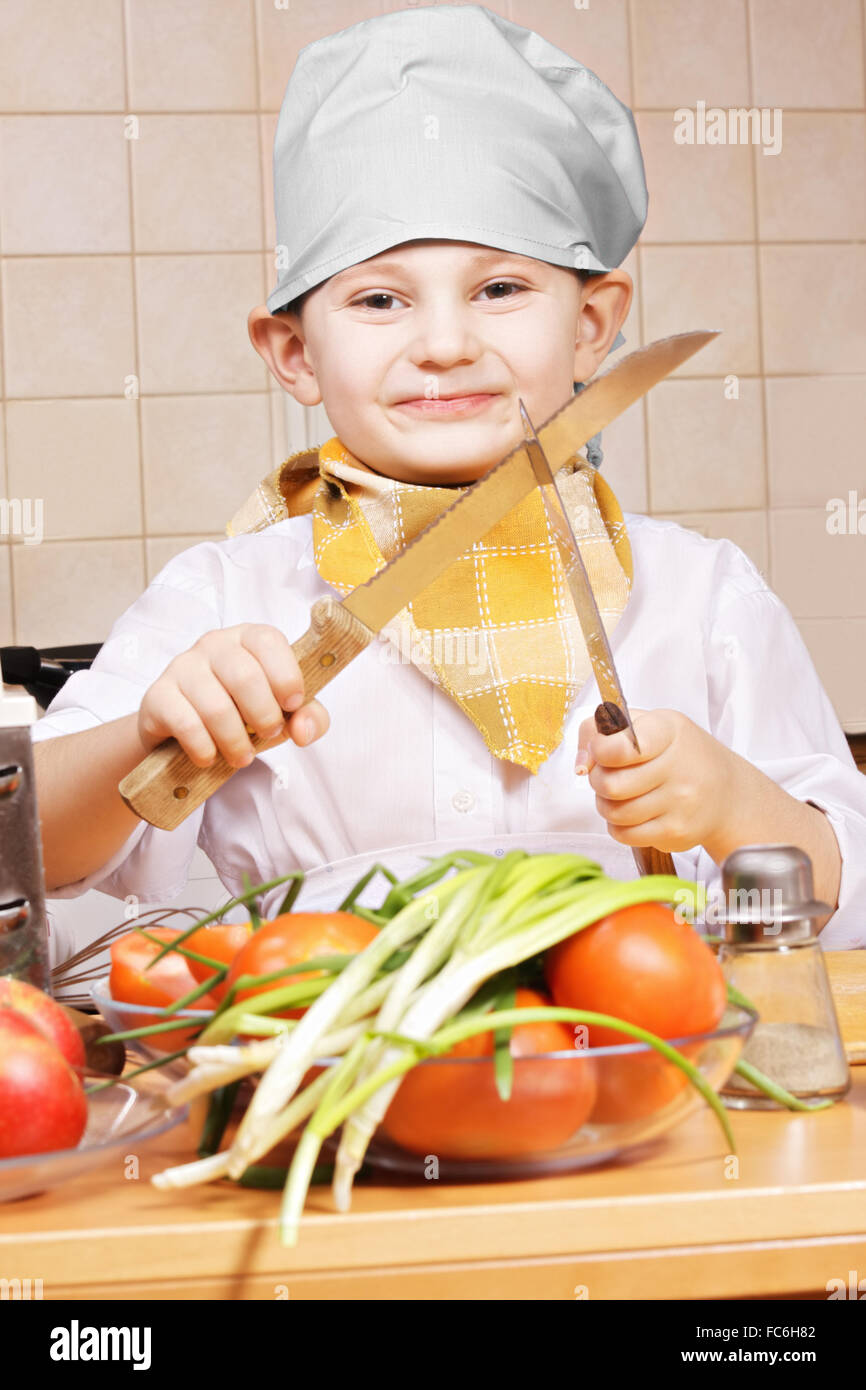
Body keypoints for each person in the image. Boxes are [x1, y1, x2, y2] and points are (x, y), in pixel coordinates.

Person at [32, 6, 866, 946]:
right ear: (294, 351)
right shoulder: (223, 600)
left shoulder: (707, 599)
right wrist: (154, 732)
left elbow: (848, 905)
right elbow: (37, 855)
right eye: (380, 299)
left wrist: (741, 809)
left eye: (500, 290)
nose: (443, 345)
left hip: (655, 1079)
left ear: (592, 326)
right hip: (325, 1076)